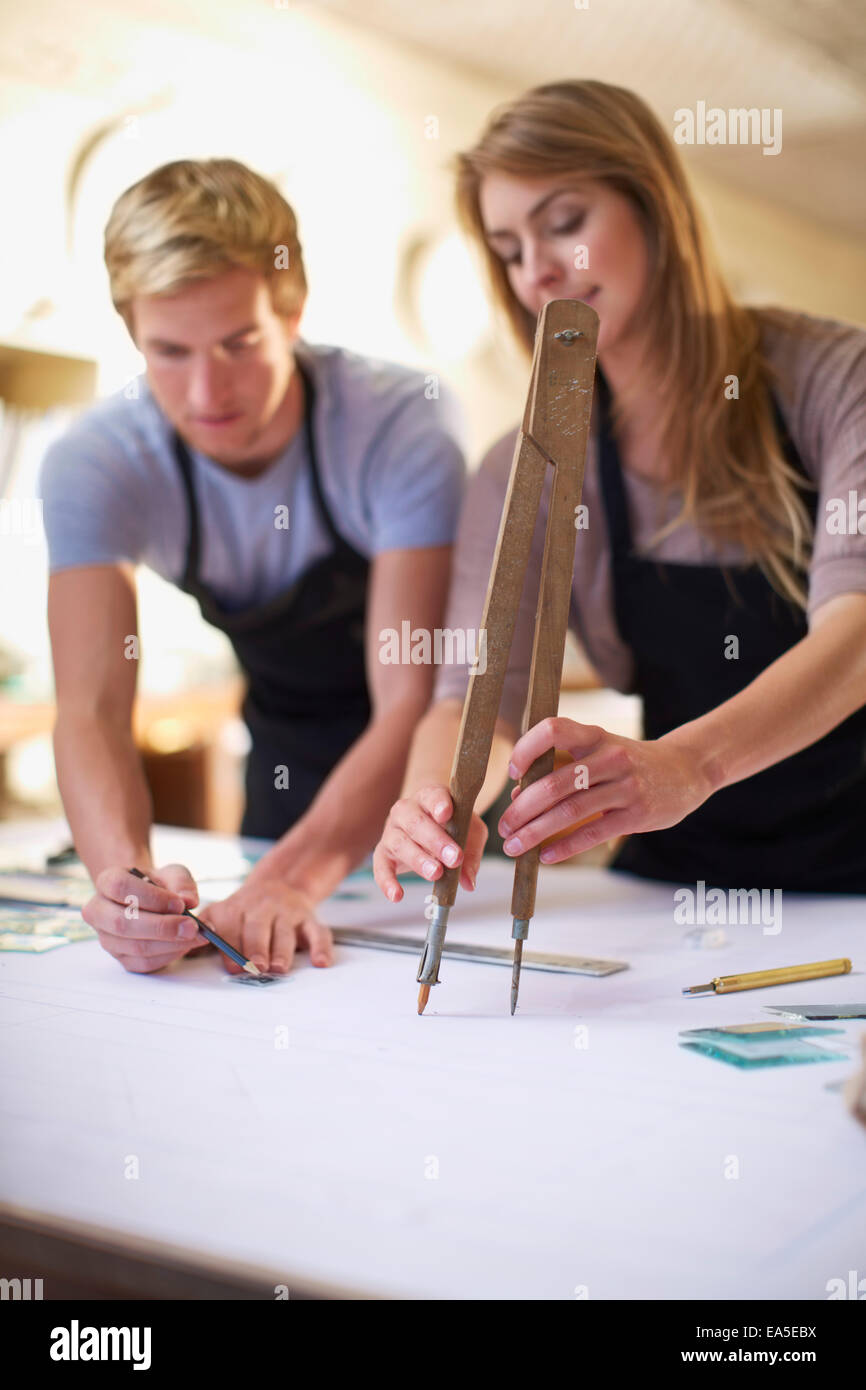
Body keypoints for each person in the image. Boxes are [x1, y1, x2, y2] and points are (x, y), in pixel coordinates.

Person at [373, 79, 866, 904]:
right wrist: (437, 800)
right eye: (507, 246)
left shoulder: (834, 379)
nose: (537, 270)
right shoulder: (519, 467)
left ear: (655, 207)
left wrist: (689, 764)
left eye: (566, 223)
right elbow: (476, 700)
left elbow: (856, 635)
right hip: (678, 881)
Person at [40, 158, 465, 975]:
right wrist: (124, 885)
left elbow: (409, 700)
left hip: (427, 780)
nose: (207, 391)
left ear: (293, 311)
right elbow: (90, 708)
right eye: (169, 351)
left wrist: (287, 882)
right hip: (285, 770)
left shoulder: (398, 428)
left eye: (239, 343)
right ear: (133, 333)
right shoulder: (95, 462)